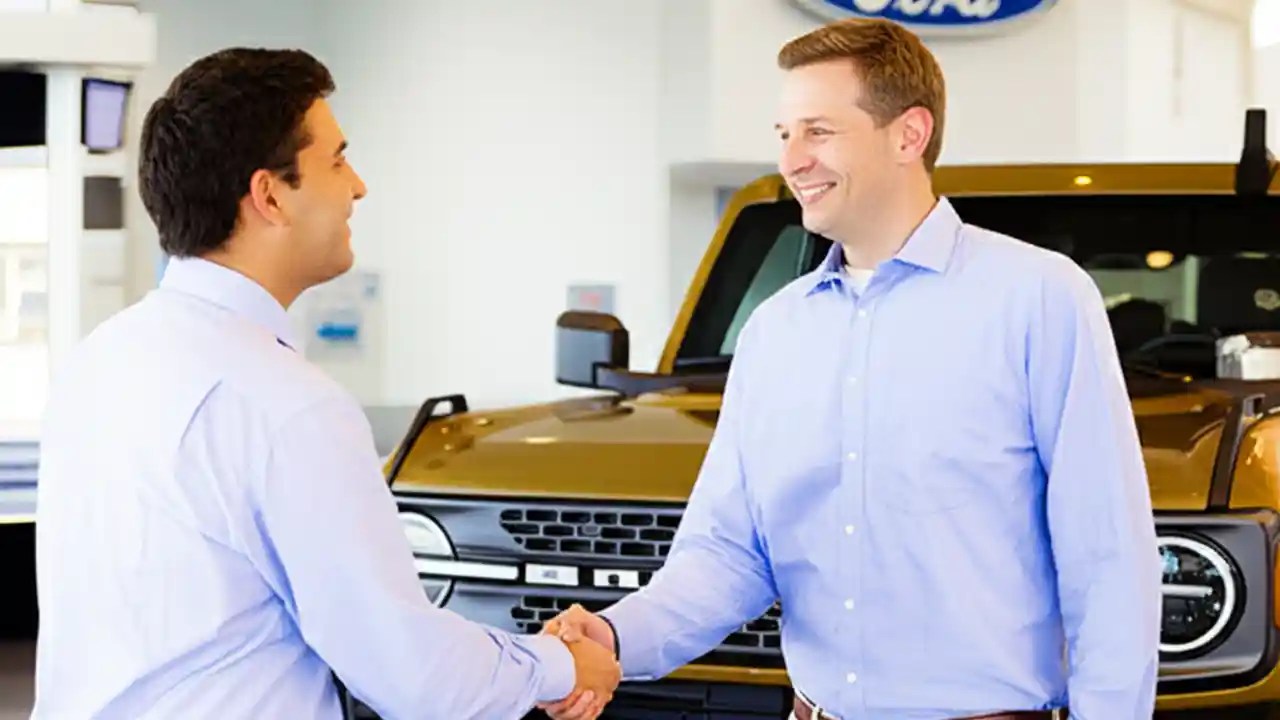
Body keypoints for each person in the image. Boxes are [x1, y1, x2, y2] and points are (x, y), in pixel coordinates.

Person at [540, 17, 1161, 720]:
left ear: (909, 134)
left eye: (819, 130)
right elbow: (730, 554)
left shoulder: (1039, 299)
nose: (792, 159)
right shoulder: (775, 331)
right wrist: (618, 632)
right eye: (783, 135)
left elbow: (1106, 560)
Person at [31, 47, 619, 720]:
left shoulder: (97, 362)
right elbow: (410, 672)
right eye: (337, 160)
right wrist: (560, 666)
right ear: (269, 195)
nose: (358, 186)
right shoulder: (287, 403)